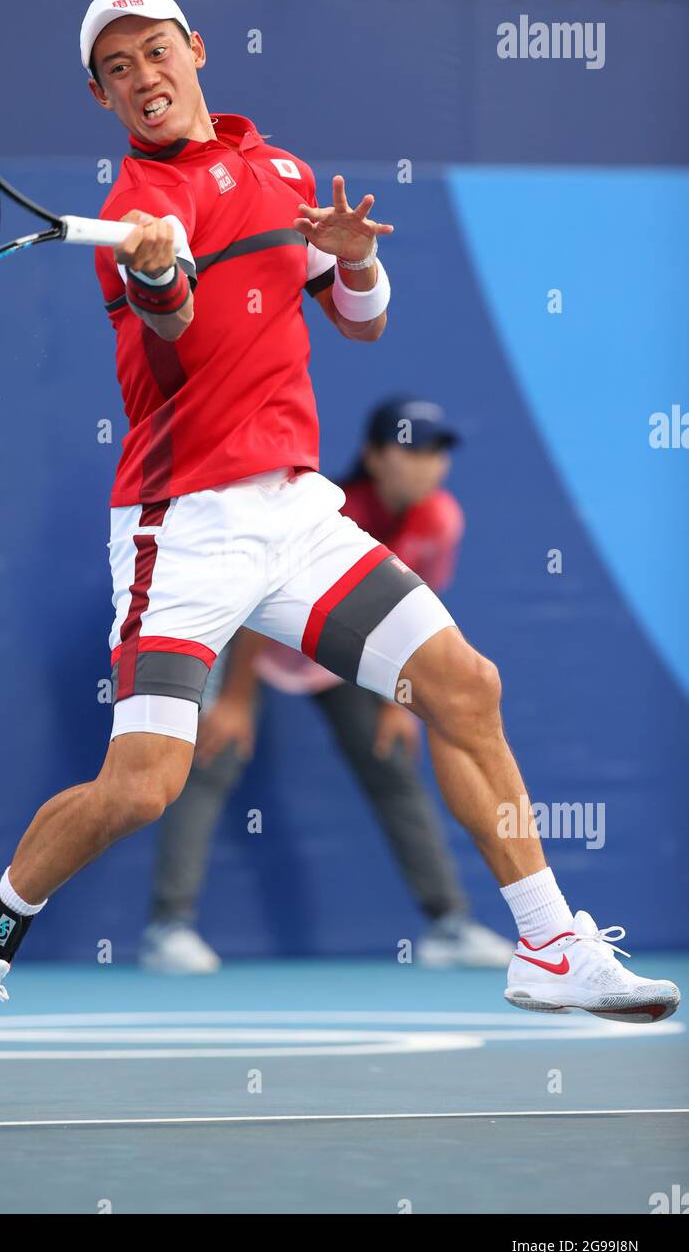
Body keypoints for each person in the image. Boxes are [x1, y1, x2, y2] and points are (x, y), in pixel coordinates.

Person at [0, 0, 680, 1093]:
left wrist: (354, 257)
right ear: (99, 94)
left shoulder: (279, 173)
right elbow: (170, 352)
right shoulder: (131, 215)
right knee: (140, 786)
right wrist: (159, 272)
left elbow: (360, 320)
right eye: (116, 67)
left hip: (296, 511)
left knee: (463, 685)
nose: (142, 76)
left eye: (154, 50)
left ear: (195, 51)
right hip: (183, 526)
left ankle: (548, 941)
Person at [141, 397, 513, 974]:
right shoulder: (334, 515)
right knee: (209, 759)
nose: (428, 465)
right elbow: (256, 606)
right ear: (374, 456)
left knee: (389, 762)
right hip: (255, 633)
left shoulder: (442, 520)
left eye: (438, 453)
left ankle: (449, 925)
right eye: (412, 449)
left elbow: (419, 621)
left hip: (337, 650)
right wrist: (236, 698)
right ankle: (168, 928)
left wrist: (401, 702)